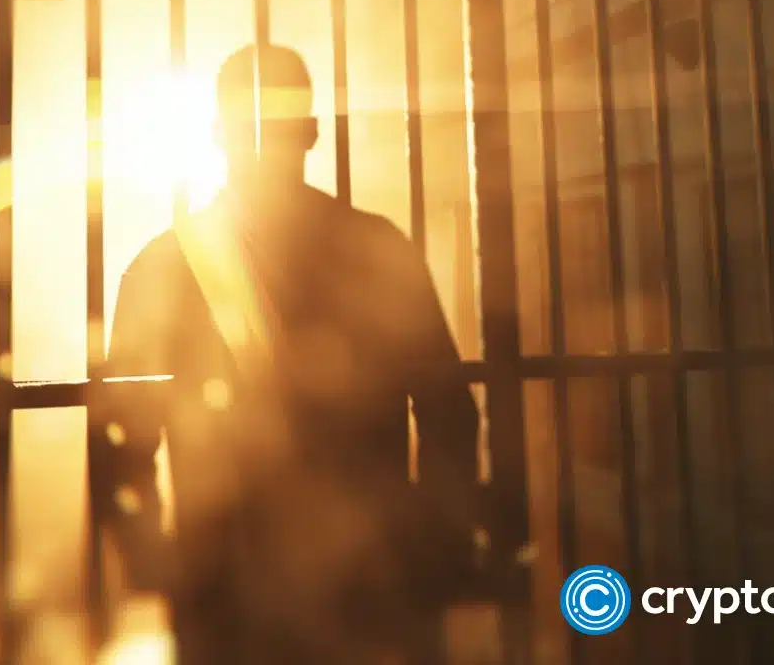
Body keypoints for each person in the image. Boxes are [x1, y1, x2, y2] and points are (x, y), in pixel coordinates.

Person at [88, 43, 480, 665]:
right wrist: (433, 549)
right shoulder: (376, 250)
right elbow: (449, 413)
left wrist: (157, 564)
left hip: (229, 594)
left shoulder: (164, 265)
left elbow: (121, 439)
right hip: (370, 590)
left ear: (216, 135)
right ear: (313, 133)